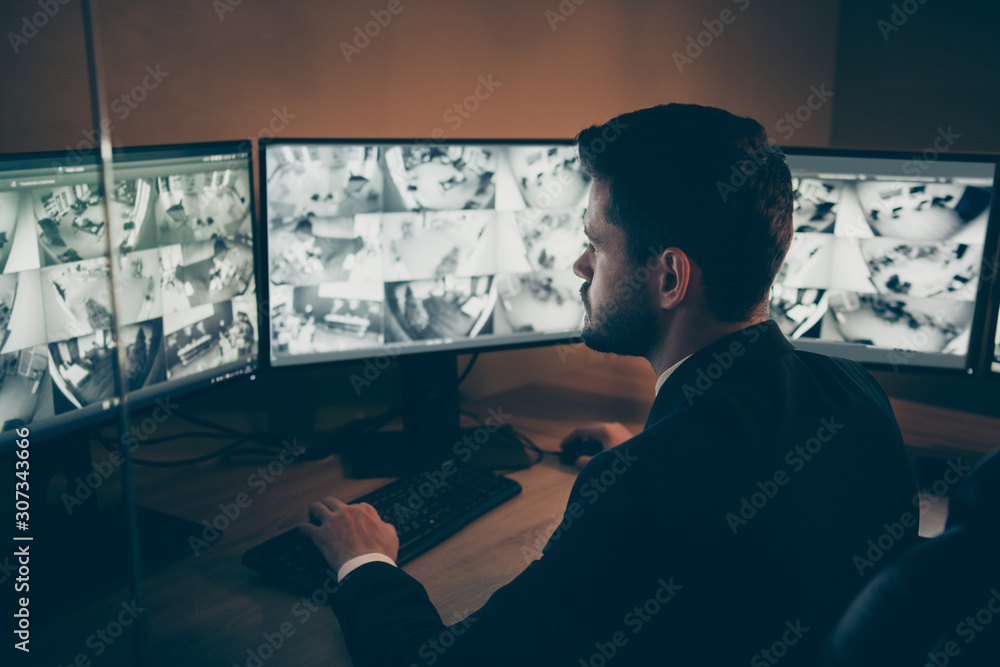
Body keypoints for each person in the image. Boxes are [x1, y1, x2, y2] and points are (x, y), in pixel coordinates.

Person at [299, 104, 920, 666]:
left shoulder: (639, 488)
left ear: (671, 277)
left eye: (597, 242)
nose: (580, 264)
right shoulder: (853, 391)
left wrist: (365, 561)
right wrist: (653, 448)